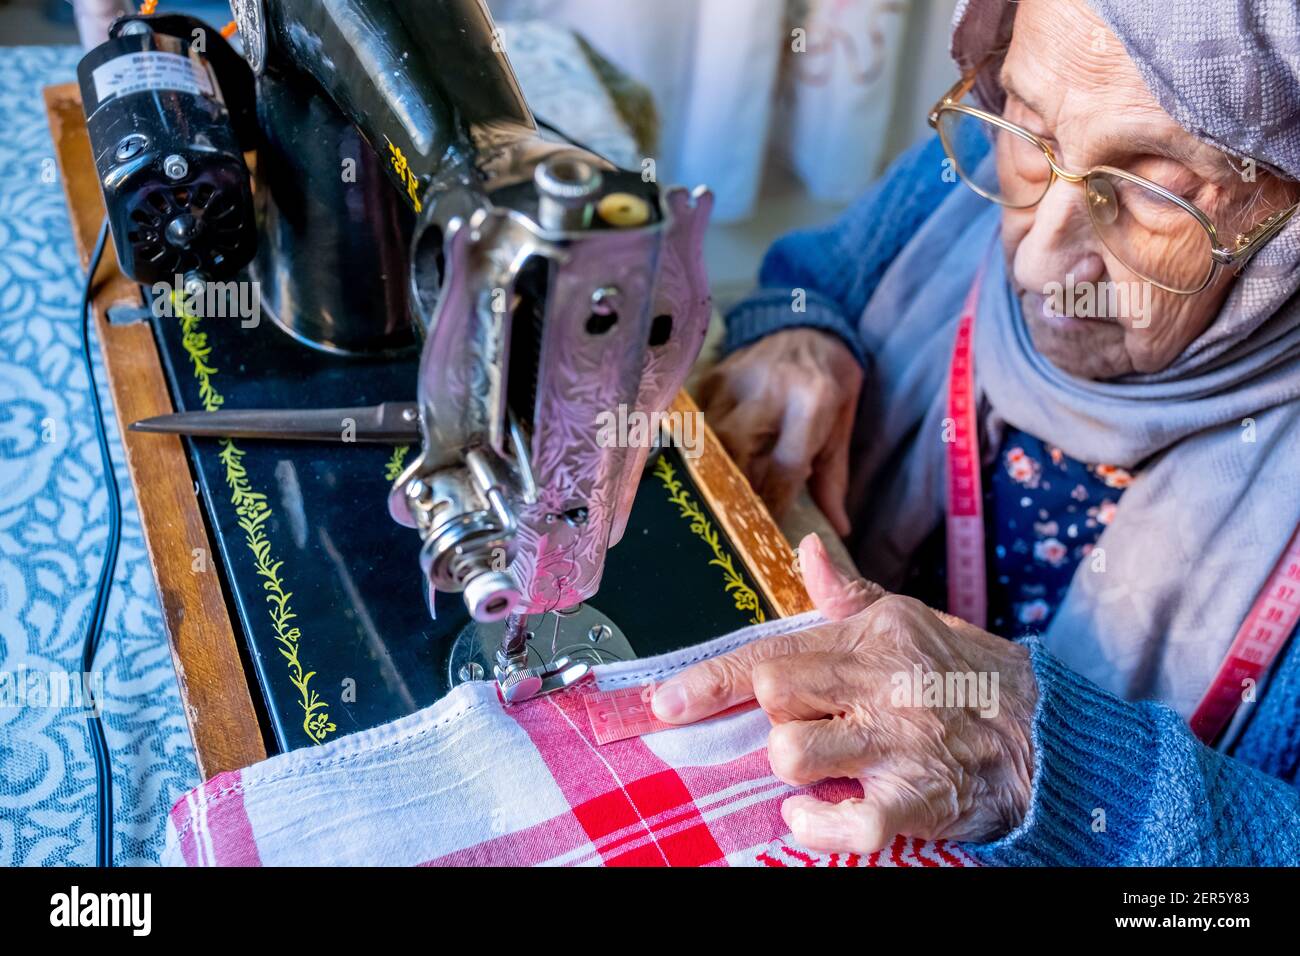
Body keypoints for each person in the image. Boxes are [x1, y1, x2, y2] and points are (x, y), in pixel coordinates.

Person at [652, 0, 1300, 864]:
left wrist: (1039, 758)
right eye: (1031, 138)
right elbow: (819, 274)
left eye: (1151, 193)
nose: (1035, 265)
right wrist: (798, 332)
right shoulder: (957, 171)